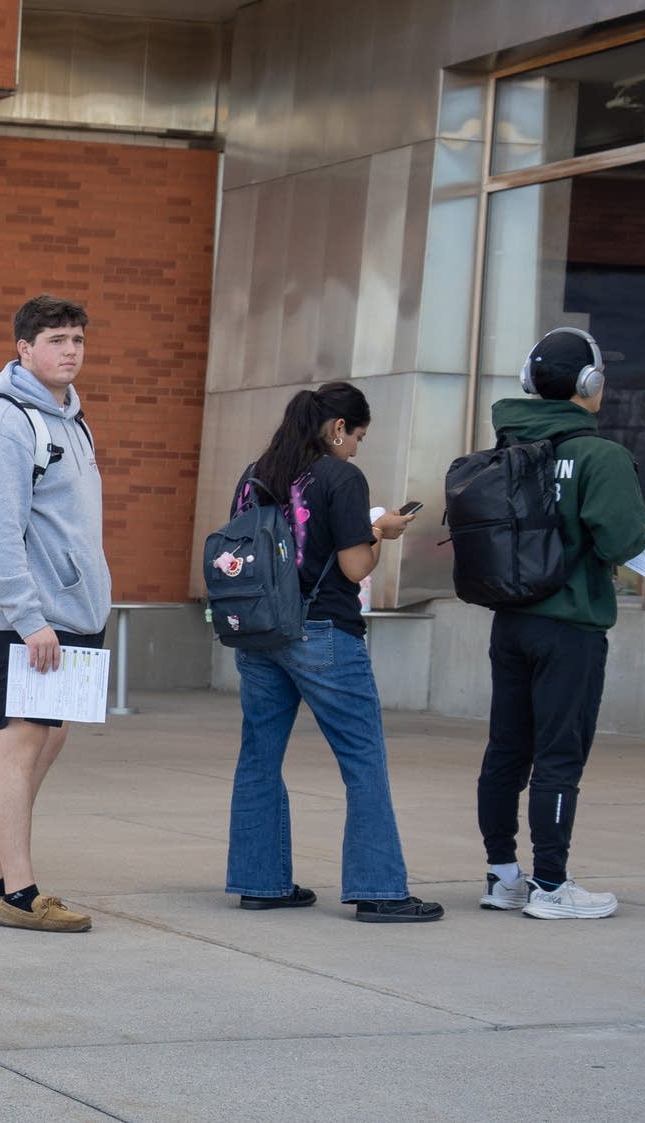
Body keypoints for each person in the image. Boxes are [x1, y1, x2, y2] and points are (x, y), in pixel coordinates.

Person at [223, 381, 441, 924]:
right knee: (362, 759)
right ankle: (380, 890)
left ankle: (261, 883)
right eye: (358, 436)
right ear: (338, 428)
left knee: (259, 756)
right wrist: (381, 533)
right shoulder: (341, 477)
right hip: (321, 632)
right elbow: (354, 567)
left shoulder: (258, 473)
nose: (357, 448)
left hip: (257, 631)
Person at [476, 328, 645, 921]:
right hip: (571, 625)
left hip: (511, 622)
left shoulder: (506, 449)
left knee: (506, 749)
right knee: (559, 754)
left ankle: (503, 877)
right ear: (591, 384)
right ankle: (551, 885)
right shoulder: (601, 456)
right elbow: (624, 540)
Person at [0, 295, 111, 934]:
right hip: (25, 615)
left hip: (71, 607)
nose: (70, 349)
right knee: (17, 745)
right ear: (24, 349)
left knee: (48, 736)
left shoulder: (70, 417)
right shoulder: (3, 423)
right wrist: (28, 618)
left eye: (77, 337)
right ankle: (21, 896)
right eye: (55, 339)